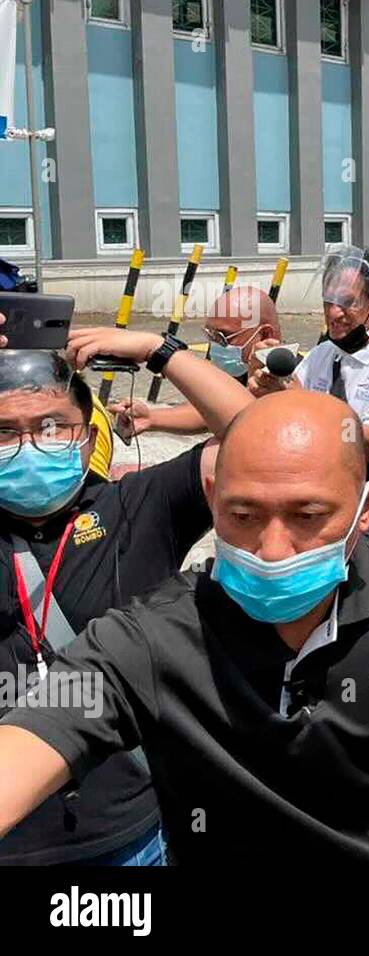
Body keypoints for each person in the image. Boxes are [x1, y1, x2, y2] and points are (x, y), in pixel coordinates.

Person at [0, 391, 369, 864]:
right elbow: (32, 740)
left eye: (308, 517)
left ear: (367, 508)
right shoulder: (149, 638)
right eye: (242, 516)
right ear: (212, 500)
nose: (271, 549)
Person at [0, 323, 255, 865]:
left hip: (127, 834)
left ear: (90, 438)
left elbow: (258, 435)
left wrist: (159, 350)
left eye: (52, 426)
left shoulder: (137, 507)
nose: (29, 447)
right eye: (4, 433)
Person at [253, 247, 369, 541]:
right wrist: (264, 387)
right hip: (322, 508)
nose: (334, 314)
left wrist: (298, 401)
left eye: (347, 303)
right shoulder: (324, 353)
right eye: (329, 302)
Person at [110, 285, 282, 438]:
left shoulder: (288, 381)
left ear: (264, 335)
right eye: (210, 336)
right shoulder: (241, 369)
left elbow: (240, 420)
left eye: (222, 337)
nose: (214, 346)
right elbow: (209, 409)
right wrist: (150, 418)